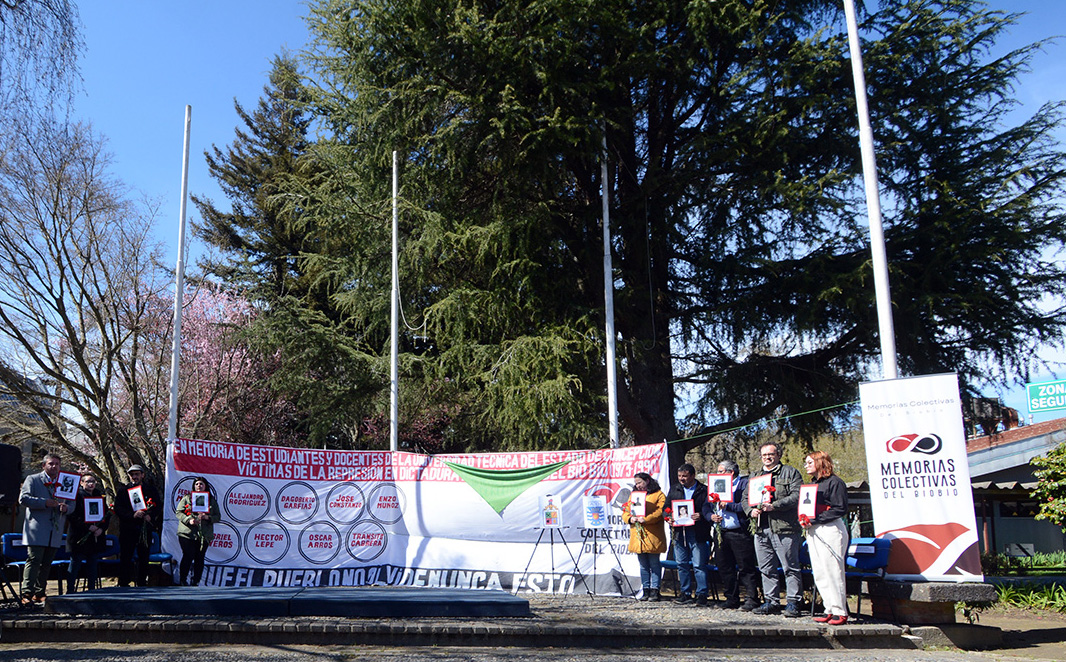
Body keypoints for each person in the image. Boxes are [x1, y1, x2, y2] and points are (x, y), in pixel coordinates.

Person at [744, 442, 803, 617]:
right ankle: (771, 601)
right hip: (761, 529)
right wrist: (750, 510)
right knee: (766, 568)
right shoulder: (755, 476)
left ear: (778, 455)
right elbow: (745, 498)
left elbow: (797, 495)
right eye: (764, 455)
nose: (767, 457)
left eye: (771, 454)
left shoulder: (790, 473)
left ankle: (793, 602)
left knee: (790, 567)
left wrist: (774, 506)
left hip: (784, 528)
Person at [704, 460, 760, 611]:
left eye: (721, 471)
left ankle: (751, 598)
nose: (718, 474)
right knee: (724, 566)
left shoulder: (743, 484)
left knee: (745, 566)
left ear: (731, 472)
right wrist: (710, 516)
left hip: (739, 532)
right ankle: (731, 598)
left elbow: (746, 505)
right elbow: (706, 506)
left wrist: (728, 505)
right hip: (721, 531)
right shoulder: (716, 484)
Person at [801, 451, 850, 626]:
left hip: (830, 528)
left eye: (809, 462)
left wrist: (815, 519)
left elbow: (839, 508)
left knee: (832, 569)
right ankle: (828, 608)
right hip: (813, 529)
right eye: (805, 463)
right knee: (820, 571)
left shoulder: (835, 482)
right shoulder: (812, 484)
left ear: (820, 462)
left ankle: (840, 610)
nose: (806, 465)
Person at [17, 453, 70, 605]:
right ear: (44, 465)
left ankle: (40, 592)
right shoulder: (33, 479)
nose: (54, 467)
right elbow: (24, 498)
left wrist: (66, 508)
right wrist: (44, 503)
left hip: (55, 530)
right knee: (34, 560)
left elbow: (71, 504)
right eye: (51, 464)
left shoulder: (65, 482)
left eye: (57, 464)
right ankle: (27, 593)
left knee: (47, 563)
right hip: (37, 529)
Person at [665, 463, 712, 606]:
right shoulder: (675, 489)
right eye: (680, 476)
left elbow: (710, 509)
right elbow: (665, 508)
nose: (682, 479)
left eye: (685, 476)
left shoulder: (703, 490)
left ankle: (702, 594)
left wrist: (702, 516)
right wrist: (668, 518)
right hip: (679, 532)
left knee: (699, 564)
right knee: (682, 564)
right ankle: (685, 593)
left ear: (693, 475)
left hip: (698, 532)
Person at [114, 464, 163, 587]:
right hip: (128, 528)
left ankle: (142, 583)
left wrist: (150, 515)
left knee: (144, 557)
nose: (134, 477)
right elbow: (118, 509)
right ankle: (124, 583)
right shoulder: (123, 491)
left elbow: (158, 505)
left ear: (142, 475)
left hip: (144, 528)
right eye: (132, 475)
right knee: (126, 556)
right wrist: (132, 515)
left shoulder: (150, 489)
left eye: (137, 474)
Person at [623, 472, 667, 601]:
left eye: (639, 482)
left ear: (647, 481)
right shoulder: (634, 496)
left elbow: (660, 512)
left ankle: (655, 590)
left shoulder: (658, 495)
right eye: (636, 483)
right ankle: (646, 590)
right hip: (638, 536)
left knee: (654, 564)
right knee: (643, 565)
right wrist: (630, 519)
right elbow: (626, 511)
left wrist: (646, 519)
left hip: (652, 535)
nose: (637, 485)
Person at [66, 473, 111, 593]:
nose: (91, 484)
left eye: (93, 482)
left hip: (95, 538)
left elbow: (106, 515)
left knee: (92, 565)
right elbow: (72, 516)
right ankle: (70, 590)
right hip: (79, 537)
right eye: (87, 482)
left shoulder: (99, 496)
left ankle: (92, 590)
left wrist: (101, 529)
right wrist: (87, 527)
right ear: (81, 483)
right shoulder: (76, 496)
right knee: (75, 564)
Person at [175, 476, 222, 586]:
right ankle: (182, 580)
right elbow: (179, 512)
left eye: (201, 484)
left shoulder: (211, 500)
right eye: (197, 484)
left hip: (204, 534)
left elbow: (218, 516)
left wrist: (208, 517)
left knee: (199, 558)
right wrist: (189, 519)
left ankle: (196, 581)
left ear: (205, 486)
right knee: (188, 555)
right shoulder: (187, 498)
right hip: (187, 533)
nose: (199, 486)